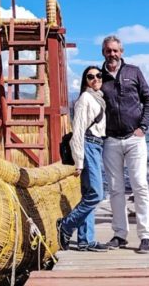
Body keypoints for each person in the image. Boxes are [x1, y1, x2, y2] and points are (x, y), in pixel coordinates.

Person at [99, 35, 149, 254]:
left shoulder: (134, 72)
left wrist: (143, 127)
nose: (112, 54)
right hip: (111, 140)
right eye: (108, 50)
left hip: (134, 138)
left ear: (121, 52)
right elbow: (88, 103)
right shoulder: (97, 76)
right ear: (103, 52)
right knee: (115, 189)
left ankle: (146, 236)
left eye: (115, 50)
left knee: (140, 184)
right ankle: (120, 235)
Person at [56, 66, 109, 252]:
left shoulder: (98, 98)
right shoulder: (85, 98)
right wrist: (79, 161)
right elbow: (77, 131)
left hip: (96, 146)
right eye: (91, 76)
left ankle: (86, 240)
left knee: (89, 195)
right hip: (88, 147)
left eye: (98, 76)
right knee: (96, 194)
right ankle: (66, 225)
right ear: (85, 80)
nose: (96, 79)